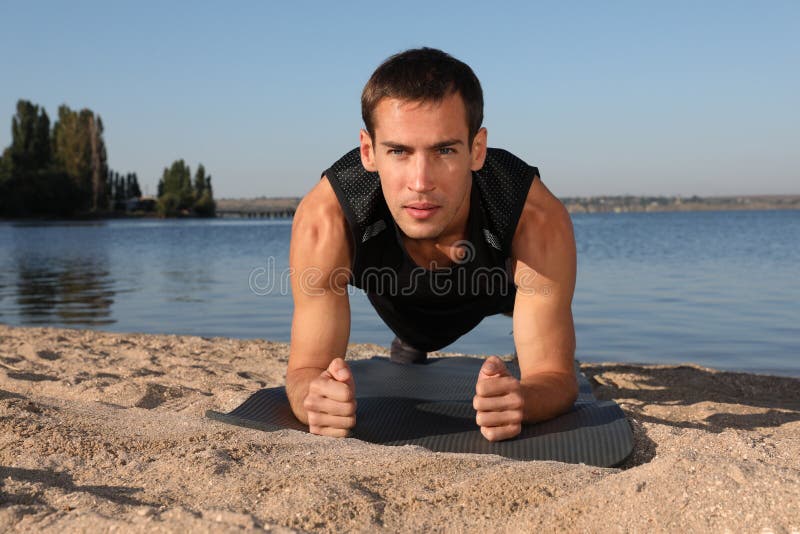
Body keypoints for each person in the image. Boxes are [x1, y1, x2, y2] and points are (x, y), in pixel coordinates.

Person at [286, 47, 577, 442]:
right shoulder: (327, 217)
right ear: (368, 152)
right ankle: (410, 342)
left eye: (444, 150)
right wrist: (314, 398)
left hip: (492, 287)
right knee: (410, 329)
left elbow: (555, 377)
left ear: (476, 150)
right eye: (399, 151)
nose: (421, 182)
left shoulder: (532, 214)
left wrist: (521, 398)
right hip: (396, 296)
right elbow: (305, 371)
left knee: (534, 300)